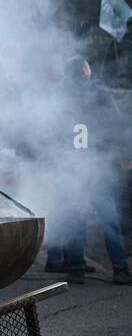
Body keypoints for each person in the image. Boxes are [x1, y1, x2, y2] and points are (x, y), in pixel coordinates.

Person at [57, 57, 130, 285]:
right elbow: (116, 125)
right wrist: (125, 155)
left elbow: (51, 132)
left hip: (72, 167)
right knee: (108, 218)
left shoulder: (61, 99)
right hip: (97, 166)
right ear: (86, 71)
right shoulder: (101, 93)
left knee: (75, 219)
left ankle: (76, 268)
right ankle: (119, 268)